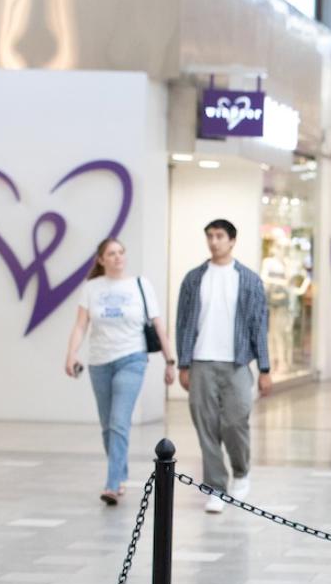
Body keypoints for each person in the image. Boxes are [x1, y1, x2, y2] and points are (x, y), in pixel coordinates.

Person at [64, 238, 173, 506]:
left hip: (132, 359)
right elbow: (81, 325)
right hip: (99, 362)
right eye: (111, 254)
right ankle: (120, 472)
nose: (117, 257)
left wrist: (170, 361)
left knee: (118, 421)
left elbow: (157, 324)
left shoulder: (140, 285)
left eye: (121, 252)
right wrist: (71, 353)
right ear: (101, 260)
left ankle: (112, 484)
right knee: (106, 426)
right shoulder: (91, 288)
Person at [176, 218, 273, 514]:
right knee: (206, 427)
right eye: (209, 236)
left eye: (219, 236)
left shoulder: (248, 280)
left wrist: (265, 369)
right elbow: (182, 323)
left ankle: (241, 473)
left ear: (232, 240)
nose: (214, 241)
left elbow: (259, 325)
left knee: (234, 422)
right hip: (201, 362)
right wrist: (183, 363)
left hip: (237, 362)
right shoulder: (194, 278)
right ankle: (215, 487)